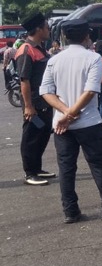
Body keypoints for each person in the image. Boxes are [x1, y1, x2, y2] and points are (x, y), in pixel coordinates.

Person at [40, 19, 102, 224]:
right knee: (100, 166)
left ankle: (70, 211)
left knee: (66, 169)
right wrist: (71, 114)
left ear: (65, 37)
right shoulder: (92, 58)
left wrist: (65, 114)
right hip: (89, 123)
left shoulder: (54, 60)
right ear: (87, 37)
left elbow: (45, 92)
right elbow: (91, 90)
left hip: (61, 125)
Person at [16, 13, 55, 186]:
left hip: (45, 101)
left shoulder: (40, 48)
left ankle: (37, 168)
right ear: (38, 29)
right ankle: (30, 173)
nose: (48, 30)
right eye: (46, 27)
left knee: (43, 134)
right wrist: (28, 106)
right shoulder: (26, 50)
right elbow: (24, 80)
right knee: (31, 137)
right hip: (34, 104)